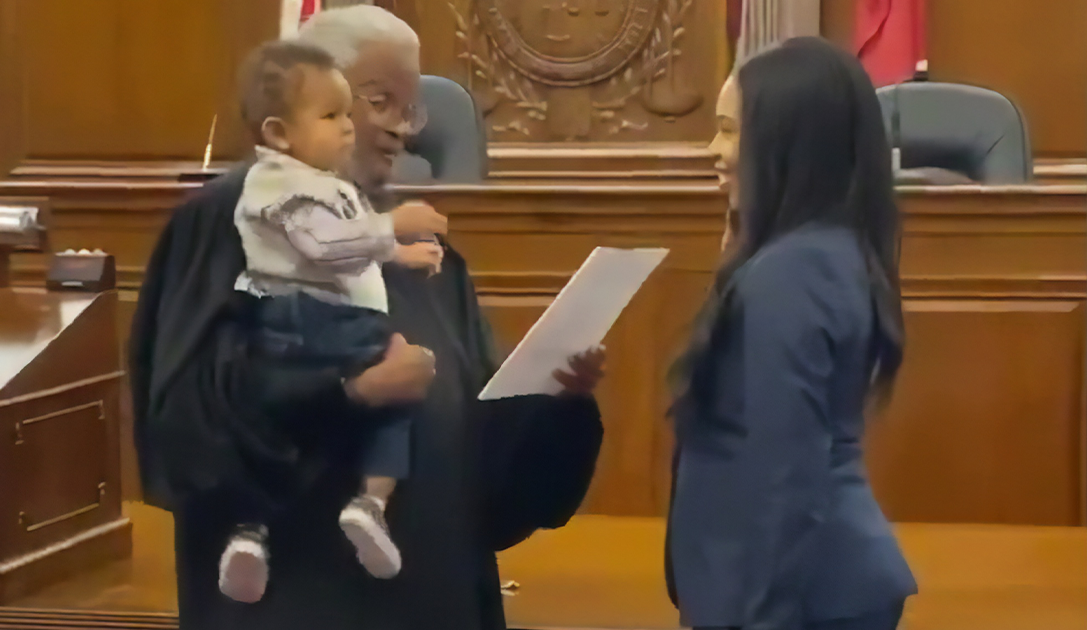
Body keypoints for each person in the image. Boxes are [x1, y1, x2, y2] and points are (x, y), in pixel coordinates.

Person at [128, 6, 606, 630]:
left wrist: (552, 401)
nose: (400, 129)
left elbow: (485, 469)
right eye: (379, 101)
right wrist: (351, 392)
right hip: (297, 601)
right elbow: (187, 427)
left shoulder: (425, 258)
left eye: (410, 109)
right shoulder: (233, 222)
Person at [666, 38, 918, 630]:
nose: (714, 150)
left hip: (797, 599)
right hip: (811, 584)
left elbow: (785, 474)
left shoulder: (791, 274)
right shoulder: (825, 251)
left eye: (729, 131)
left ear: (786, 142)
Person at [218, 41, 451, 602]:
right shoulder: (274, 187)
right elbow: (325, 247)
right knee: (390, 399)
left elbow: (350, 248)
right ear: (277, 133)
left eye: (409, 109)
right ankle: (361, 504)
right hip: (313, 324)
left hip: (321, 320)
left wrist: (400, 255)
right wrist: (394, 229)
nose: (398, 130)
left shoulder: (328, 185)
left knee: (298, 427)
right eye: (342, 112)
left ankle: (264, 527)